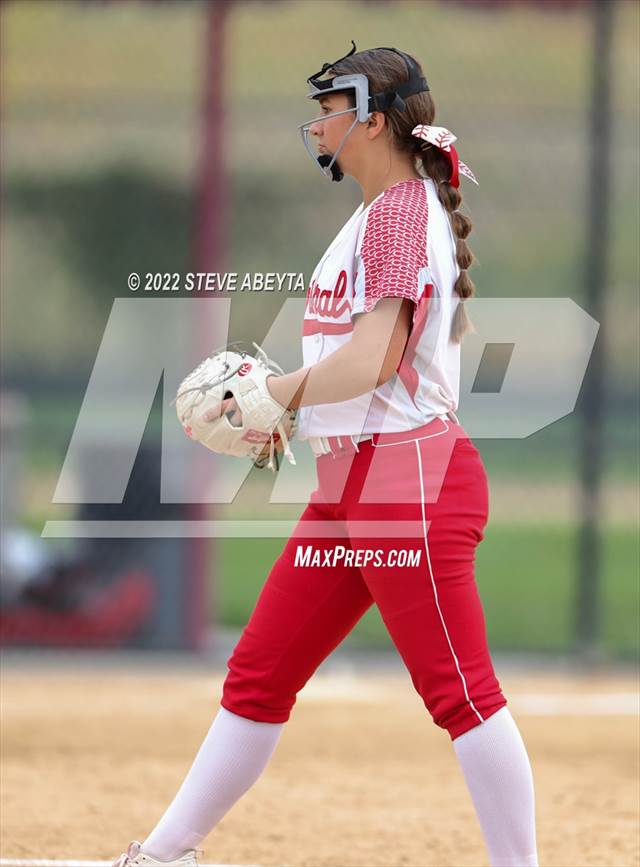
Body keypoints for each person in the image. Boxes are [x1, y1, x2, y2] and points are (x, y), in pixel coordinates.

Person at [112, 44, 539, 867]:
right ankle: (164, 853)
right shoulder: (376, 213)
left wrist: (282, 392)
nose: (318, 123)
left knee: (460, 692)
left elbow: (377, 358)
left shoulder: (400, 210)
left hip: (408, 479)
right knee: (260, 672)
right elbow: (365, 368)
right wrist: (295, 410)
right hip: (354, 484)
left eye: (331, 108)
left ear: (373, 119)